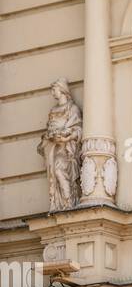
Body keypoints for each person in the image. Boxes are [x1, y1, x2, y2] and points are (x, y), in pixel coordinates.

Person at [38, 78, 82, 210]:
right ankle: (60, 203)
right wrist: (50, 136)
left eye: (54, 89)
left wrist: (65, 138)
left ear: (62, 90)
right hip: (53, 149)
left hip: (67, 149)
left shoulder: (72, 109)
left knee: (60, 171)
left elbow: (77, 129)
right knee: (54, 175)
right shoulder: (53, 110)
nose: (52, 92)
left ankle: (68, 202)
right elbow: (50, 128)